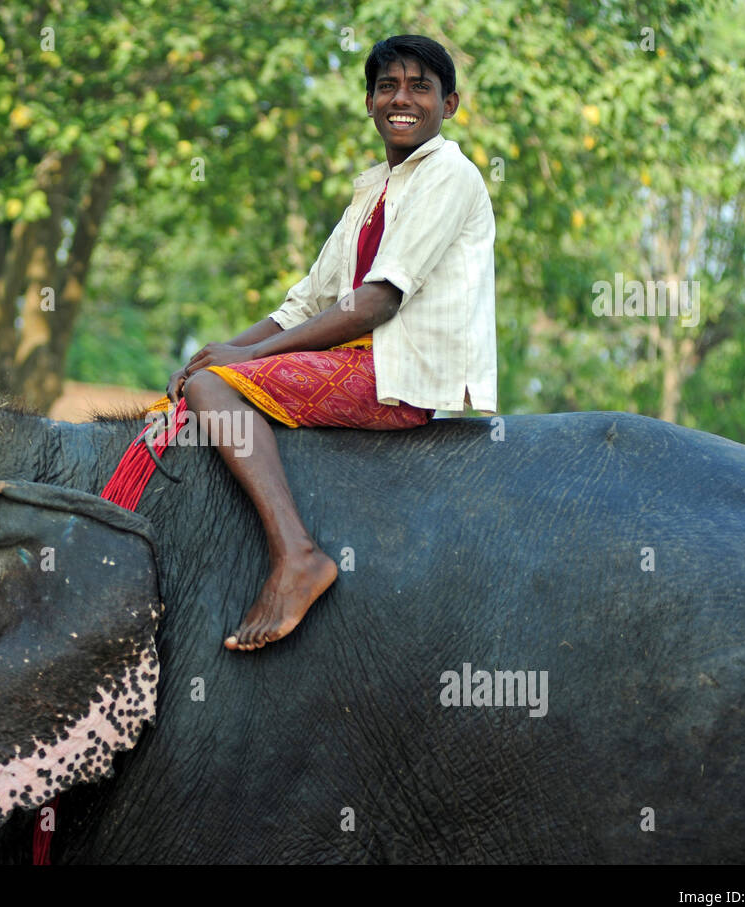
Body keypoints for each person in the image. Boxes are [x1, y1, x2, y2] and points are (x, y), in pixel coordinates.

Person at [166, 34, 497, 652]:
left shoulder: (450, 176)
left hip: (398, 374)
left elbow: (377, 302)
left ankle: (297, 556)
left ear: (449, 104)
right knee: (201, 381)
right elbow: (304, 304)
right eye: (387, 87)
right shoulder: (373, 190)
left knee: (216, 388)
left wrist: (237, 364)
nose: (402, 99)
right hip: (353, 361)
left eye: (420, 87)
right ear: (370, 102)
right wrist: (214, 351)